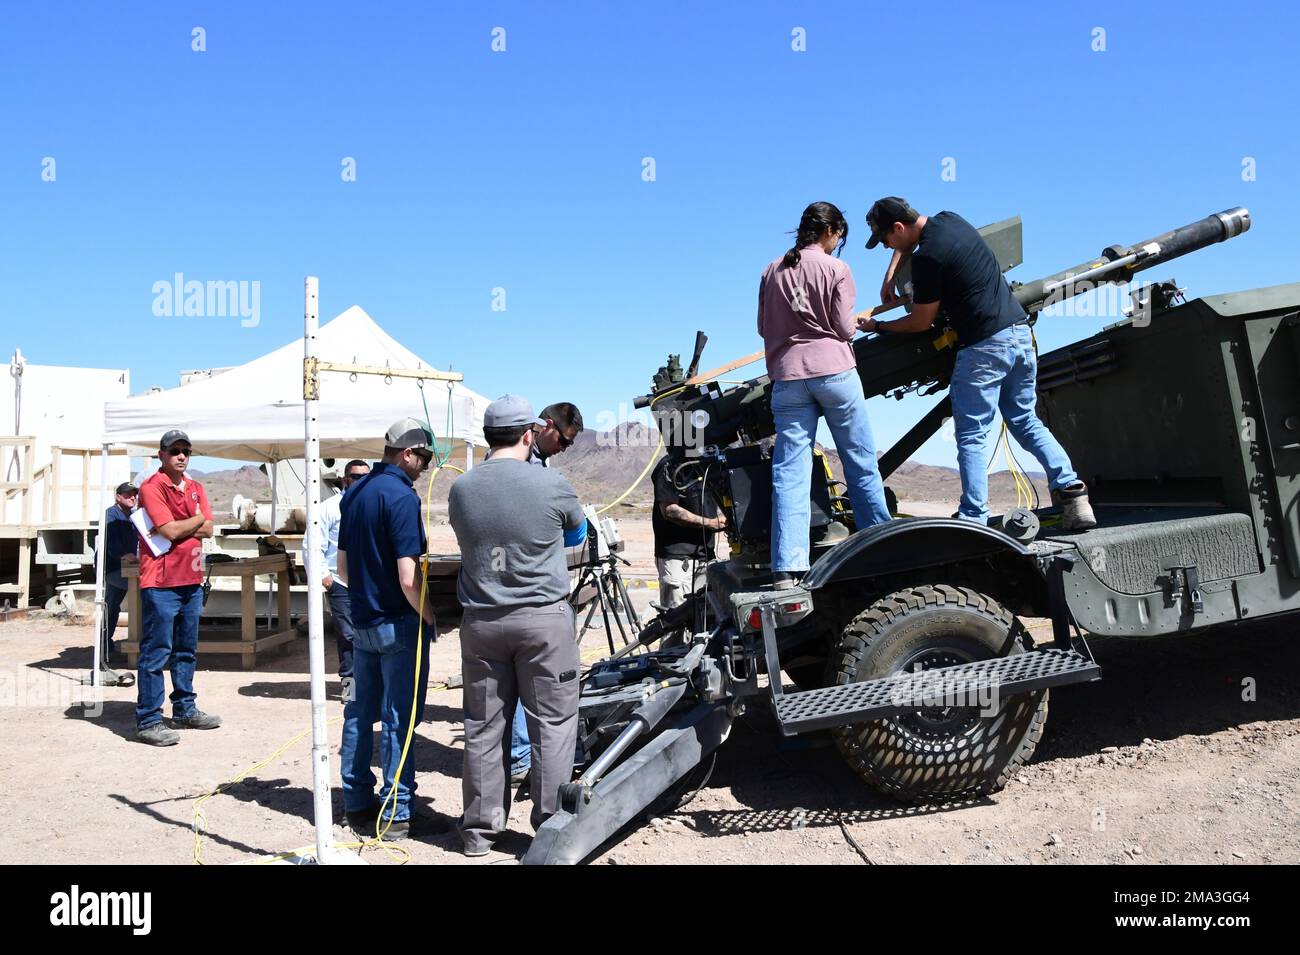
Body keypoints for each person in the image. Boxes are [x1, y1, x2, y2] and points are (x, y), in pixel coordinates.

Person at [860, 197, 1096, 530]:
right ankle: (1073, 493)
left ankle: (974, 515)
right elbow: (907, 241)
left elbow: (920, 322)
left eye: (885, 240)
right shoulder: (951, 220)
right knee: (1025, 420)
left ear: (897, 228)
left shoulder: (928, 258)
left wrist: (878, 327)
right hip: (1019, 336)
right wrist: (890, 276)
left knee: (971, 433)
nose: (886, 247)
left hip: (984, 346)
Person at [449, 395, 586, 856]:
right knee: (552, 723)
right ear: (530, 434)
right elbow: (577, 532)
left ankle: (479, 833)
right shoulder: (552, 484)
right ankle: (548, 829)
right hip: (543, 621)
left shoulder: (462, 488)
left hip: (482, 622)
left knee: (483, 726)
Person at [758, 201, 893, 589]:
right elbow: (843, 328)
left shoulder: (771, 270)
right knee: (860, 461)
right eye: (840, 236)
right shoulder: (836, 269)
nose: (839, 244)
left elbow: (762, 326)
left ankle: (787, 567)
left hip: (787, 376)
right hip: (834, 371)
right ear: (831, 230)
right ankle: (880, 548)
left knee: (790, 472)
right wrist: (857, 323)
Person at [336, 420, 444, 839]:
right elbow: (407, 576)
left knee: (359, 713)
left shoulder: (356, 492)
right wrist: (429, 614)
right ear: (408, 454)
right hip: (398, 625)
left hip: (361, 621)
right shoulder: (400, 497)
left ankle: (357, 802)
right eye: (425, 459)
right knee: (400, 717)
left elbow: (342, 568)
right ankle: (398, 811)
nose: (425, 469)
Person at [502, 400, 584, 784]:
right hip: (521, 588)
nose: (564, 449)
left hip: (527, 581)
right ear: (546, 425)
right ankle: (521, 759)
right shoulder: (515, 458)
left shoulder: (540, 463)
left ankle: (525, 756)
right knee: (530, 680)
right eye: (563, 440)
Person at [134, 431, 220, 746]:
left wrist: (187, 524)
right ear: (162, 455)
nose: (181, 456)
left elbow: (209, 527)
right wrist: (193, 522)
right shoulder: (152, 487)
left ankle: (184, 709)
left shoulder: (196, 487)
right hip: (161, 582)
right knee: (157, 651)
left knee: (186, 649)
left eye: (186, 451)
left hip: (192, 579)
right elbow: (168, 531)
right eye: (175, 451)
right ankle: (149, 719)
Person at [315, 459, 370, 691]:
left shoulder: (373, 504)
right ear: (346, 479)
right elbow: (313, 542)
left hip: (369, 584)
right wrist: (324, 576)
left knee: (371, 635)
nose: (362, 481)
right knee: (348, 637)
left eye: (367, 477)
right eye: (357, 477)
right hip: (340, 583)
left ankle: (370, 688)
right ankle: (350, 690)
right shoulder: (329, 508)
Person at [651, 456, 726, 609]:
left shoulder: (709, 464)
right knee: (676, 615)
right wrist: (710, 523)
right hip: (678, 557)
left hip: (705, 555)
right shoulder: (668, 466)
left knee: (705, 613)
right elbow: (669, 511)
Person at [93, 482, 139, 687]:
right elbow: (111, 543)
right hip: (112, 567)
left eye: (134, 495)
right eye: (128, 495)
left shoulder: (132, 516)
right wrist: (124, 554)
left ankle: (106, 646)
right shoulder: (111, 515)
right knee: (115, 604)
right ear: (118, 497)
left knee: (113, 606)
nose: (132, 497)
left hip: (125, 567)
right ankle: (105, 648)